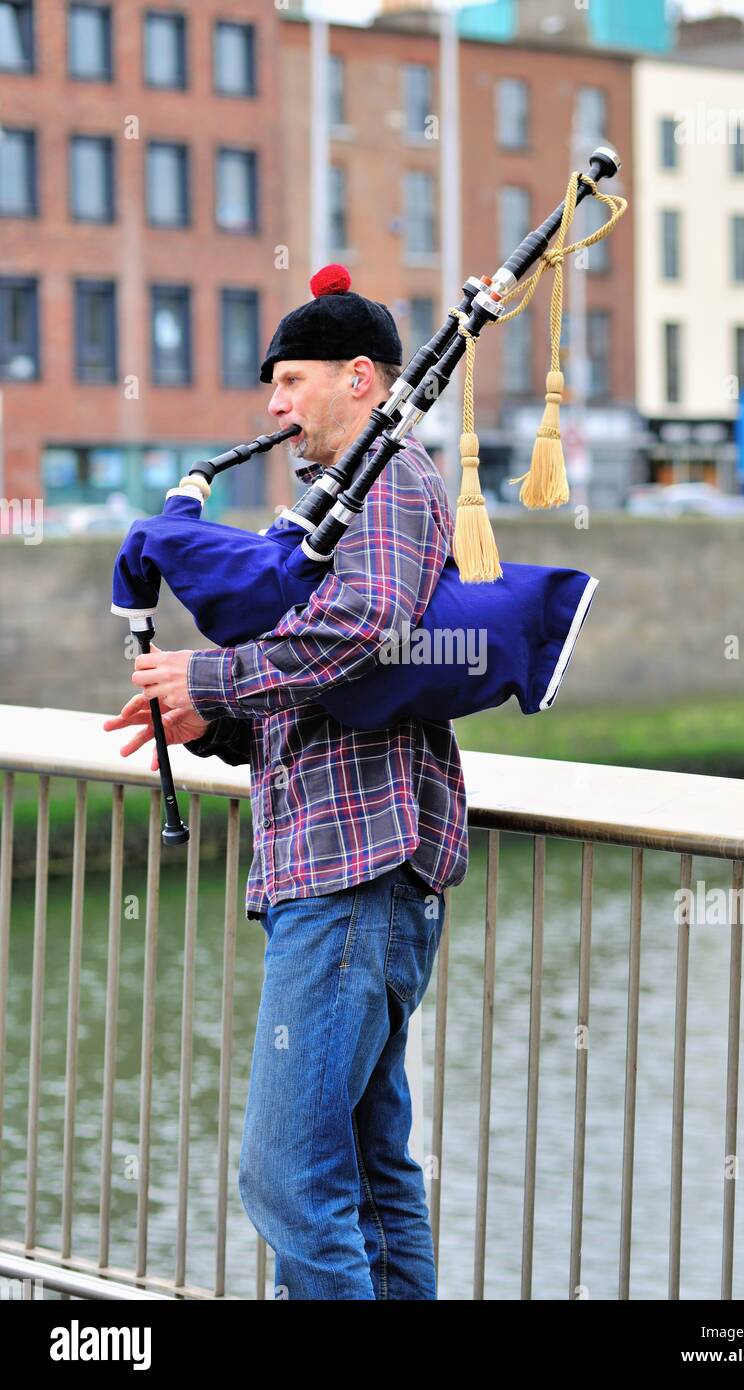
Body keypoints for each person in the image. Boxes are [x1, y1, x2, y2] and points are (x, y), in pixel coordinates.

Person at [102, 266, 469, 1299]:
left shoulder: (393, 477)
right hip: (341, 869)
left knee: (285, 1175)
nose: (271, 405)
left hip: (354, 876)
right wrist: (210, 720)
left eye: (291, 380)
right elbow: (325, 686)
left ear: (360, 378)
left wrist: (208, 671)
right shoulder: (333, 502)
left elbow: (367, 630)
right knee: (365, 1166)